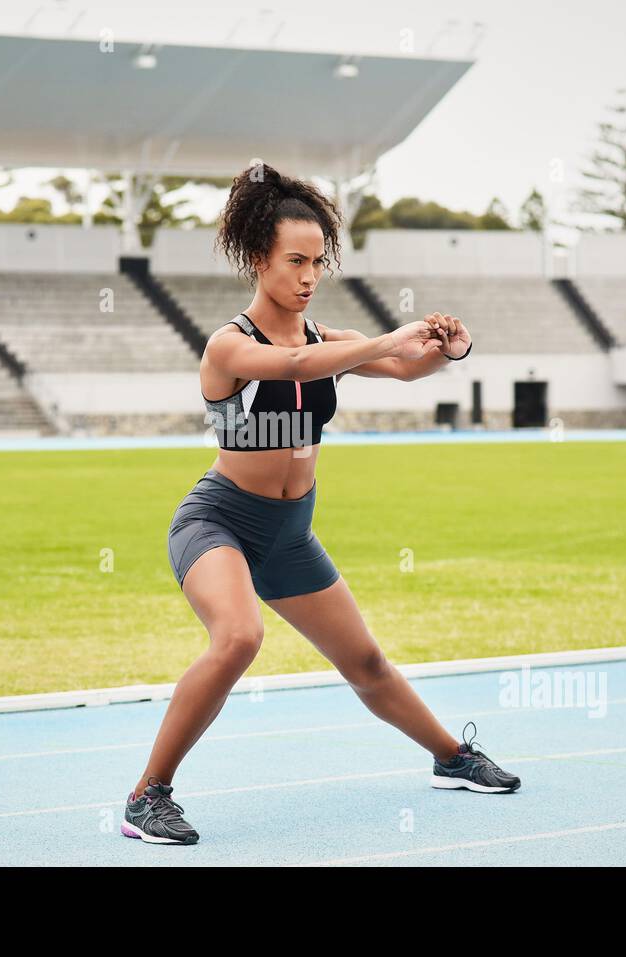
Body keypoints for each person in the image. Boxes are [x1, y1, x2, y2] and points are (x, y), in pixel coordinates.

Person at [121, 163, 520, 846]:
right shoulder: (230, 344)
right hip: (219, 523)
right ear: (258, 259)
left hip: (289, 535)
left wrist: (448, 347)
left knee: (366, 663)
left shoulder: (322, 337)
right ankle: (145, 796)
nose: (309, 276)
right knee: (241, 637)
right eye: (295, 261)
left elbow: (402, 366)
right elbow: (302, 368)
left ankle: (452, 758)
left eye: (318, 262)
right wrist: (393, 334)